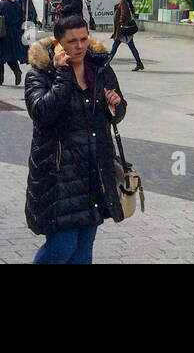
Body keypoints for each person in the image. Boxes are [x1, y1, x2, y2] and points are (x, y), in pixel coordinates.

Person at [24, 14, 128, 264]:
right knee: (62, 246)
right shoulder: (41, 73)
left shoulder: (100, 70)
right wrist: (62, 75)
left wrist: (116, 104)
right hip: (60, 173)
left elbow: (116, 113)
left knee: (84, 245)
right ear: (58, 43)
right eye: (72, 41)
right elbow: (41, 113)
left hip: (94, 170)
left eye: (83, 39)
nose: (79, 46)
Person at [0, 0, 29, 86]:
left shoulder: (1, 4)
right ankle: (17, 71)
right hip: (14, 33)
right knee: (10, 55)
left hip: (2, 33)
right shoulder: (17, 5)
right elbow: (21, 18)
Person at [109, 0, 145, 71]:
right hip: (124, 29)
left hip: (123, 30)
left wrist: (120, 25)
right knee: (129, 46)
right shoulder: (125, 2)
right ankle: (139, 63)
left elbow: (123, 15)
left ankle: (106, 63)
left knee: (115, 47)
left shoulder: (124, 3)